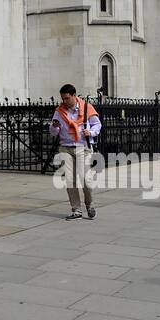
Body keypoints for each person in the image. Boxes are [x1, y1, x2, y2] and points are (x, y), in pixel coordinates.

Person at [49, 84, 101, 220]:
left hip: (82, 147)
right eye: (62, 99)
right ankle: (76, 210)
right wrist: (54, 127)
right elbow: (54, 132)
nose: (64, 101)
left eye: (67, 98)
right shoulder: (59, 111)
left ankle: (90, 205)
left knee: (85, 179)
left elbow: (97, 124)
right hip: (65, 147)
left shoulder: (86, 107)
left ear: (74, 95)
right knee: (70, 180)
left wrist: (90, 132)